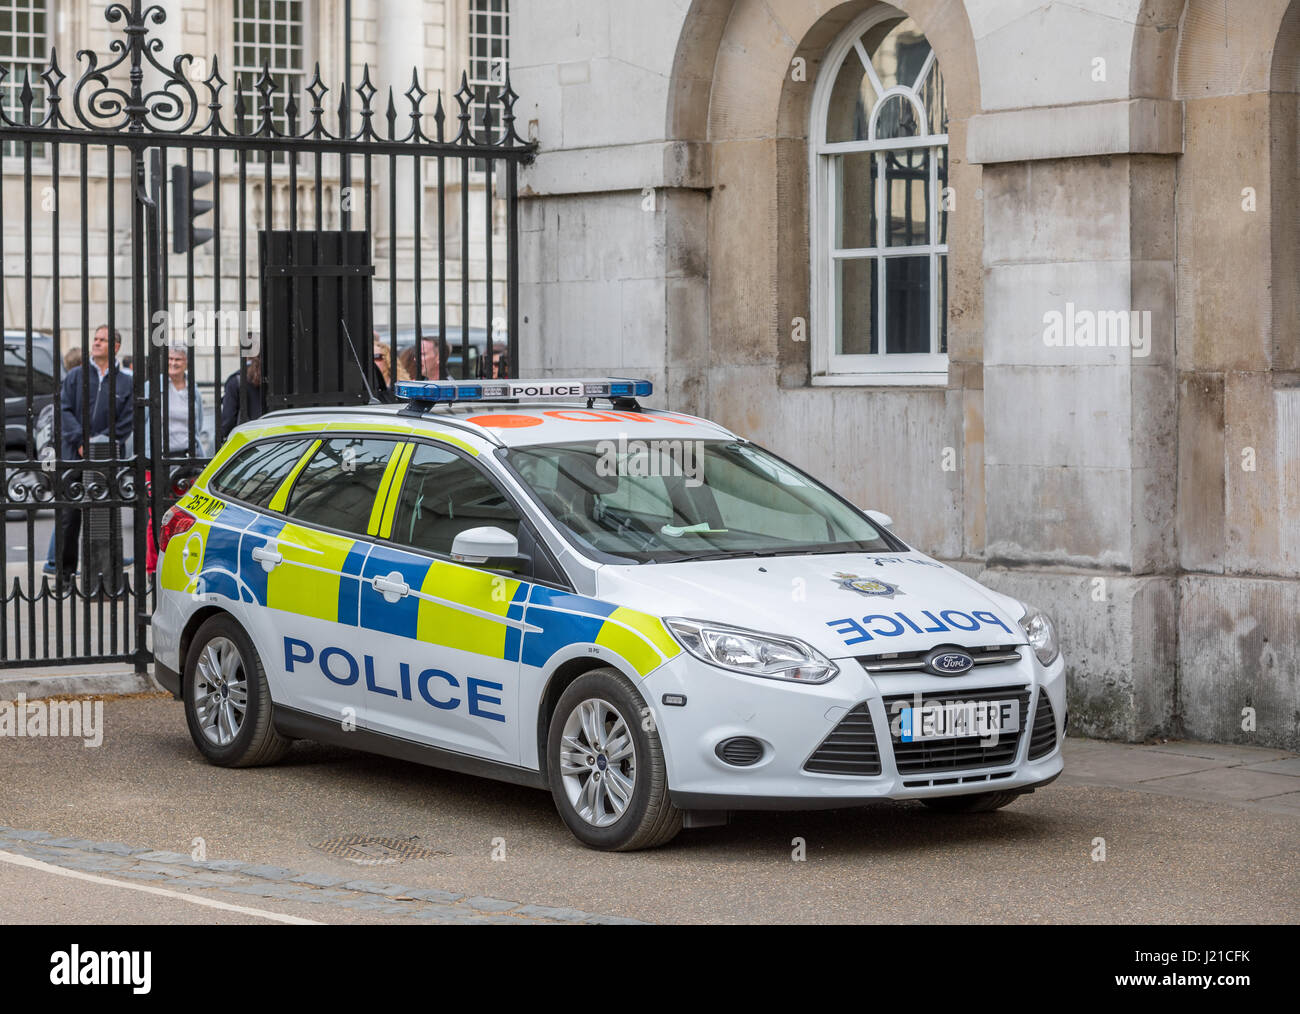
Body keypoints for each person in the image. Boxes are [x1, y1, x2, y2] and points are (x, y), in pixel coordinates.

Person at [44, 325, 132, 577]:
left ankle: (105, 575)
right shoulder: (76, 376)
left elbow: (126, 420)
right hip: (75, 455)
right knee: (69, 518)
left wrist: (101, 445)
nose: (96, 343)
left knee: (105, 517)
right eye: (95, 339)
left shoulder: (125, 382)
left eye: (102, 340)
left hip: (106, 459)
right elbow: (64, 409)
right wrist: (82, 441)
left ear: (115, 347)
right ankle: (65, 576)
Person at [145, 345, 213, 573]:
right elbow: (145, 421)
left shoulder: (193, 389)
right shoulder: (154, 386)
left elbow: (198, 423)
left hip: (187, 460)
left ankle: (179, 567)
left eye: (178, 360)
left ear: (186, 363)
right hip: (159, 459)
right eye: (170, 359)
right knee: (156, 515)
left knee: (186, 516)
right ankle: (153, 569)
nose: (173, 363)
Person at [220, 355, 263, 441]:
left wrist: (222, 435)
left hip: (246, 439)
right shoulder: (272, 377)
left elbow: (229, 419)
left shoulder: (235, 380)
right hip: (270, 438)